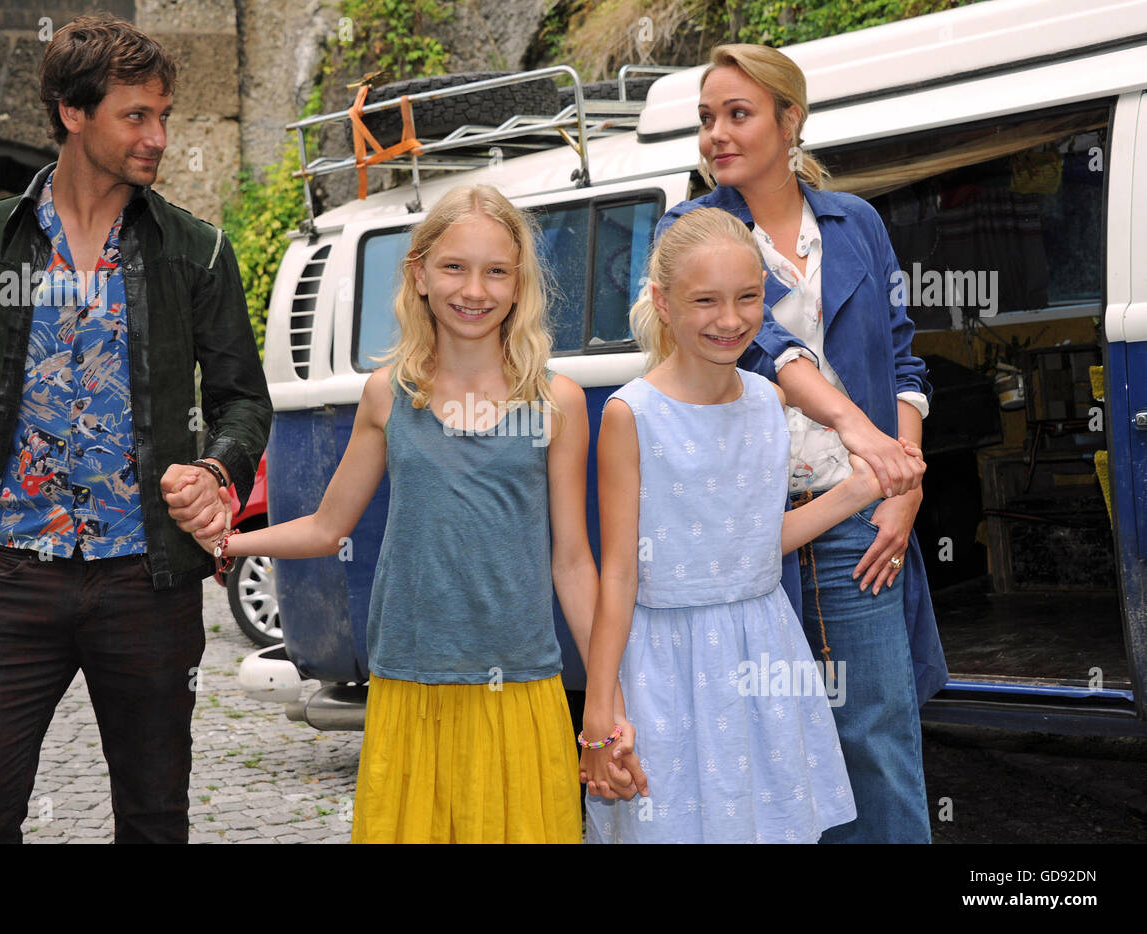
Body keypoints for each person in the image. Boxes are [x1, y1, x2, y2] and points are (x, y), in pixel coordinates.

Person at [0, 14, 271, 843]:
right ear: (72, 112)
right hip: (15, 575)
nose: (158, 136)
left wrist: (217, 469)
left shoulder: (195, 252)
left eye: (164, 115)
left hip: (148, 579)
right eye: (137, 115)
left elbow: (245, 399)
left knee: (155, 816)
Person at [202, 183, 619, 843]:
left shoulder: (556, 402)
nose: (473, 289)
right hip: (410, 682)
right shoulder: (388, 396)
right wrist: (232, 541)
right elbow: (326, 526)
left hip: (519, 682)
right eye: (454, 266)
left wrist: (607, 697)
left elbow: (572, 559)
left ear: (519, 284)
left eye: (496, 271)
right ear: (419, 273)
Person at [652, 44, 948, 843]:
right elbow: (763, 349)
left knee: (877, 734)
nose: (716, 133)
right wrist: (857, 429)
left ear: (792, 120)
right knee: (770, 746)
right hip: (743, 527)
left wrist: (904, 480)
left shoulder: (857, 224)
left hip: (856, 519)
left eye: (738, 114)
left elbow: (902, 355)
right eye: (707, 118)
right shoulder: (694, 229)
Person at [580, 206, 924, 843]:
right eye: (705, 300)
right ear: (662, 300)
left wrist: (860, 489)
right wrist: (600, 709)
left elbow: (760, 547)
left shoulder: (769, 400)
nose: (731, 319)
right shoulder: (633, 414)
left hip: (765, 655)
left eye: (747, 298)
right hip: (666, 665)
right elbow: (620, 572)